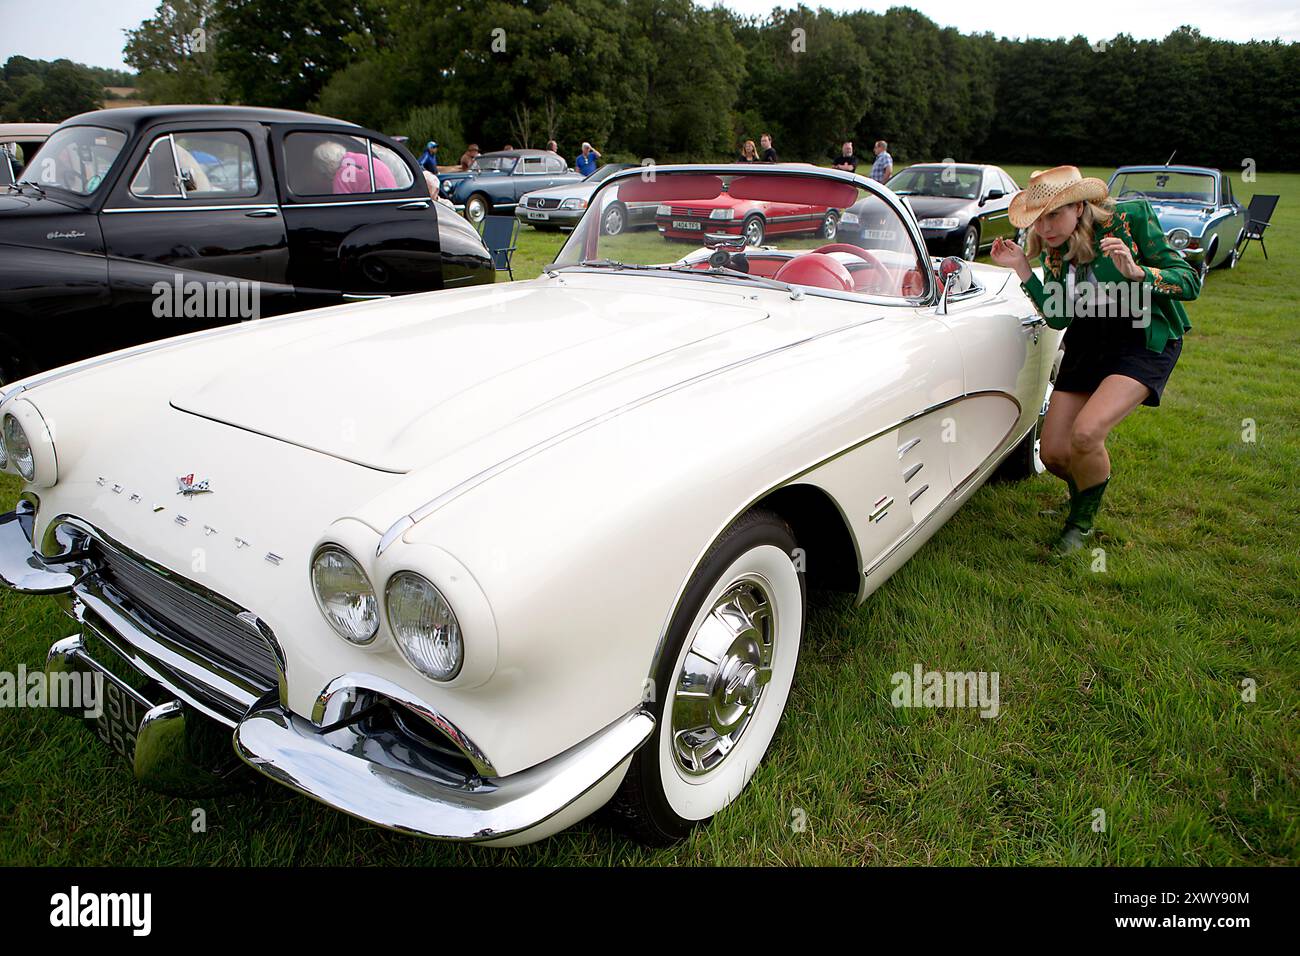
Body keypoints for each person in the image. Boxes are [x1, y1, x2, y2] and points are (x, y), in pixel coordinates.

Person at [991, 165, 1199, 553]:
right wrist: (1023, 268)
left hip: (1141, 339)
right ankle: (1086, 495)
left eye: (1055, 214)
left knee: (1086, 434)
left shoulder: (1130, 219)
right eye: (1039, 220)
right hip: (1088, 342)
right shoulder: (1053, 249)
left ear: (1080, 205)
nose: (1047, 228)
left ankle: (1080, 524)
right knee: (1053, 453)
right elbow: (1059, 316)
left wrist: (1139, 273)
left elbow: (1189, 281)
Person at [313, 140, 396, 194]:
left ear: (328, 165)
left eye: (323, 171)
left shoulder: (343, 175)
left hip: (376, 208)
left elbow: (341, 208)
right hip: (391, 201)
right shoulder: (361, 158)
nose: (324, 174)